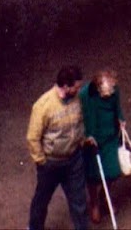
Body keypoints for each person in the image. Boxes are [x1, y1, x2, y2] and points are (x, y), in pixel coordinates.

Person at [27, 64, 94, 230]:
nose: (79, 90)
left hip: (74, 159)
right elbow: (32, 137)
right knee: (42, 200)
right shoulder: (43, 106)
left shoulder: (76, 99)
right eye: (76, 87)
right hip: (51, 163)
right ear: (65, 86)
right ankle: (34, 227)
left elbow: (79, 124)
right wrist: (41, 161)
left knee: (79, 201)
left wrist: (83, 140)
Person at [81, 67, 129, 226]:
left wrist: (121, 119)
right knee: (93, 175)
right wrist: (86, 136)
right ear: (98, 87)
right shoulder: (85, 94)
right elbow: (79, 115)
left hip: (110, 137)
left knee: (113, 171)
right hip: (92, 140)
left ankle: (104, 196)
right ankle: (94, 202)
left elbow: (117, 108)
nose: (110, 94)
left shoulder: (114, 90)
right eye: (106, 92)